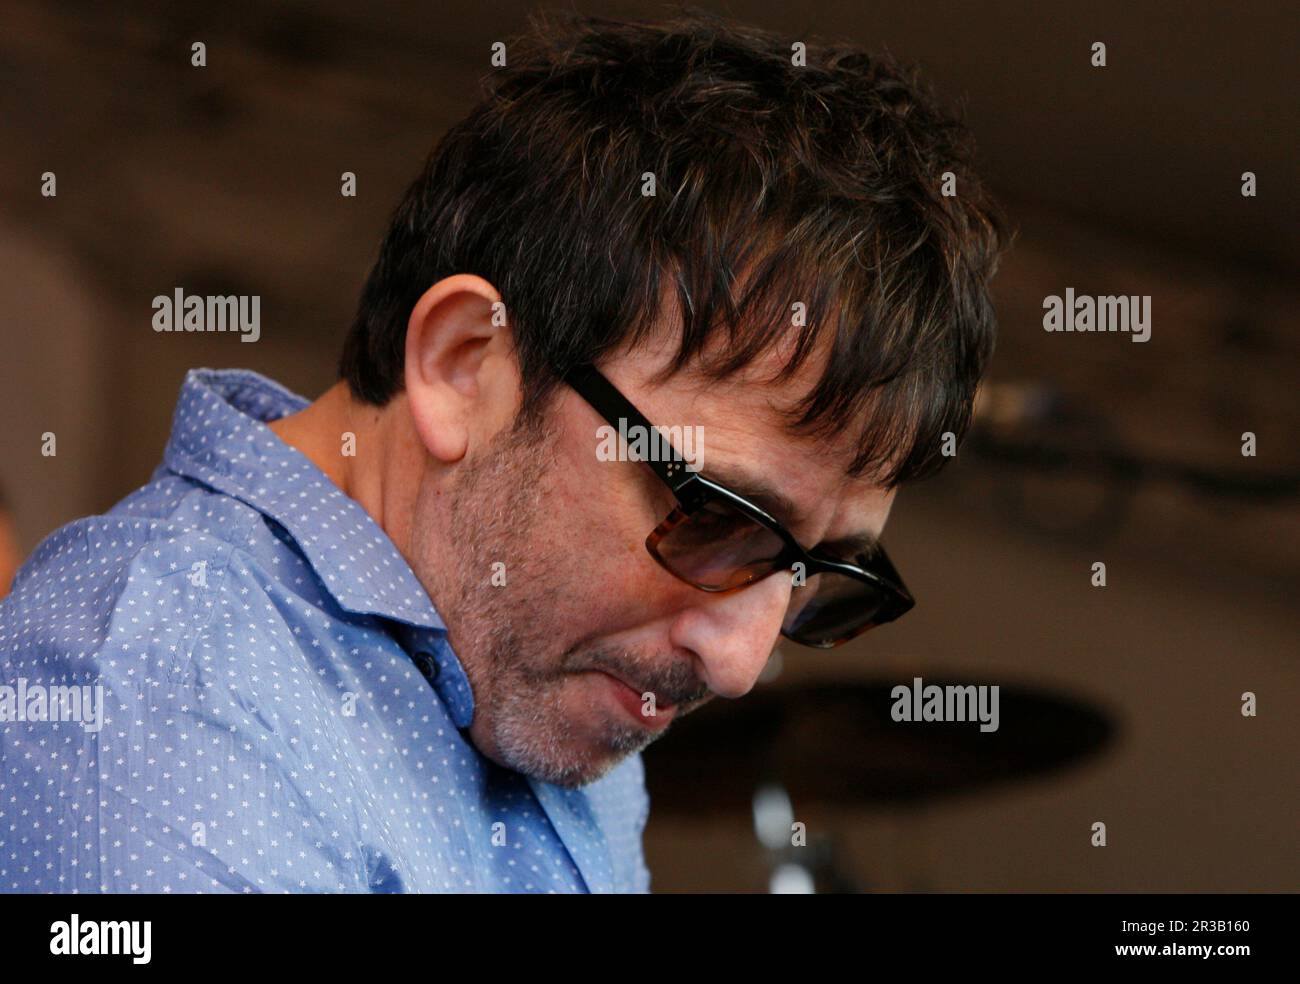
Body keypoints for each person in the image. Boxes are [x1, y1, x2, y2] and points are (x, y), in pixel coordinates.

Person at [0, 9, 1003, 893]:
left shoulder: (542, 667)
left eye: (812, 577)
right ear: (462, 364)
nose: (739, 664)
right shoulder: (147, 706)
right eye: (713, 520)